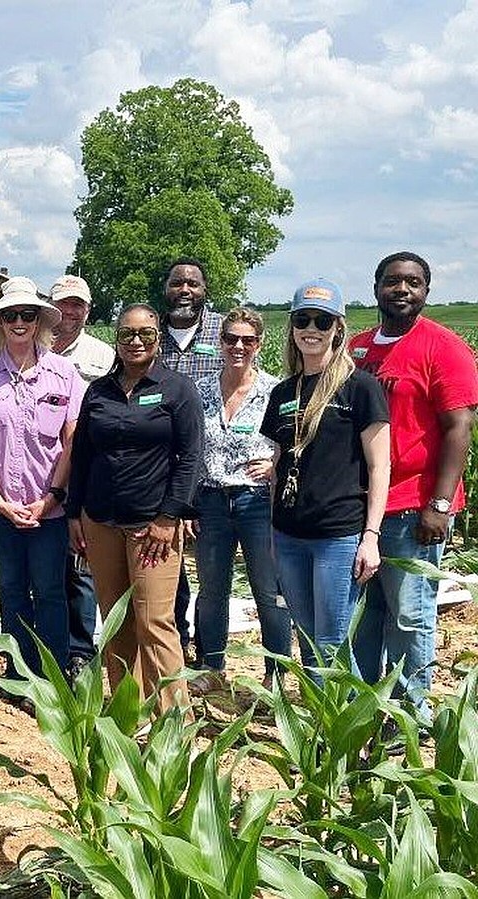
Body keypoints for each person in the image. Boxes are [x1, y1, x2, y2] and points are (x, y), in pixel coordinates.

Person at [351, 252, 478, 721]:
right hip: (361, 506)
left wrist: (439, 504)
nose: (401, 289)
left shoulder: (443, 348)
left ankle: (409, 714)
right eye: (392, 281)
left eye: (413, 282)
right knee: (364, 615)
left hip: (413, 505)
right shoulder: (357, 349)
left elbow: (459, 427)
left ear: (426, 290)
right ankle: (362, 706)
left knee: (409, 613)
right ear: (376, 287)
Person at [66, 303, 203, 714]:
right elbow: (82, 456)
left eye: (145, 333)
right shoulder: (98, 392)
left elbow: (190, 458)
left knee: (155, 622)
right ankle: (131, 712)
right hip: (100, 521)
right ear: (116, 339)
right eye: (127, 334)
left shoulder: (177, 389)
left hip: (152, 527)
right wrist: (74, 513)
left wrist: (169, 517)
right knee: (116, 620)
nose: (136, 341)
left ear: (158, 339)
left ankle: (174, 721)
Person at [260, 278, 389, 672]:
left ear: (338, 328)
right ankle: (319, 710)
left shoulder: (361, 388)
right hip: (289, 535)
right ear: (292, 327)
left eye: (322, 321)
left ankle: (347, 714)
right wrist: (273, 532)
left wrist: (371, 537)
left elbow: (379, 466)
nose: (311, 329)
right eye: (303, 320)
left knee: (331, 643)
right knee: (306, 637)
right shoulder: (283, 393)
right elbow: (278, 466)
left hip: (338, 535)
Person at [0, 277, 81, 679]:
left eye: (27, 315)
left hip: (49, 508)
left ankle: (53, 674)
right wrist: (0, 503)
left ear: (39, 321)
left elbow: (72, 442)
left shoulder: (64, 373)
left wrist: (50, 499)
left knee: (50, 591)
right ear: (0, 322)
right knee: (12, 589)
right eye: (10, 315)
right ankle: (19, 672)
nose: (19, 322)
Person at [190, 308, 290, 693]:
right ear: (220, 342)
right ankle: (212, 667)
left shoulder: (276, 390)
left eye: (247, 340)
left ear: (259, 345)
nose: (238, 346)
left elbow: (295, 440)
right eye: (231, 338)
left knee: (268, 590)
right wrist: (188, 504)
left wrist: (276, 465)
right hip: (211, 499)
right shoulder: (200, 390)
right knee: (212, 590)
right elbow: (190, 448)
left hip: (257, 502)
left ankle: (276, 673)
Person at [158, 258, 224, 661]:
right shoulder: (150, 334)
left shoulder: (223, 332)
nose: (185, 290)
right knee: (170, 566)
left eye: (193, 284)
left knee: (212, 571)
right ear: (166, 289)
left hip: (214, 473)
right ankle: (176, 642)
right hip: (162, 472)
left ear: (204, 290)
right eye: (177, 283)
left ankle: (209, 651)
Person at [49, 274, 114, 672]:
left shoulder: (103, 356)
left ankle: (79, 651)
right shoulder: (30, 346)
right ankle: (47, 642)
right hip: (39, 473)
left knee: (80, 564)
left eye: (77, 305)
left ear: (88, 311)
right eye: (63, 303)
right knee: (44, 565)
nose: (69, 312)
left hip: (84, 473)